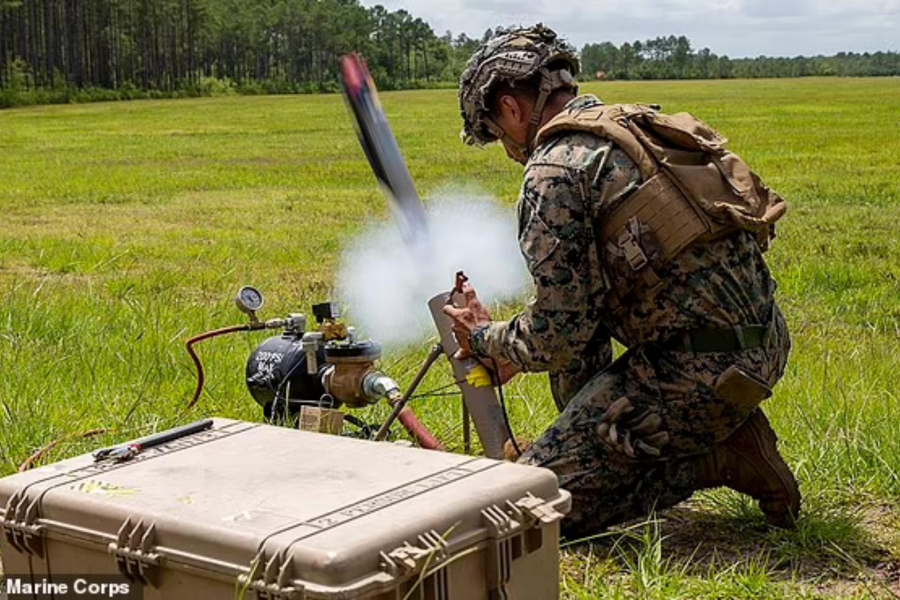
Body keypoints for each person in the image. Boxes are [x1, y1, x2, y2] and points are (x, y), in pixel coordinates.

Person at [444, 24, 800, 539]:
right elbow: (579, 316)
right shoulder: (630, 129)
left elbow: (557, 335)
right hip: (760, 347)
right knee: (574, 385)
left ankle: (715, 457)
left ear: (511, 108)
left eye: (498, 134)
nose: (506, 150)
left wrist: (484, 338)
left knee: (529, 509)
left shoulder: (553, 169)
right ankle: (616, 449)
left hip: (699, 374)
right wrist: (516, 348)